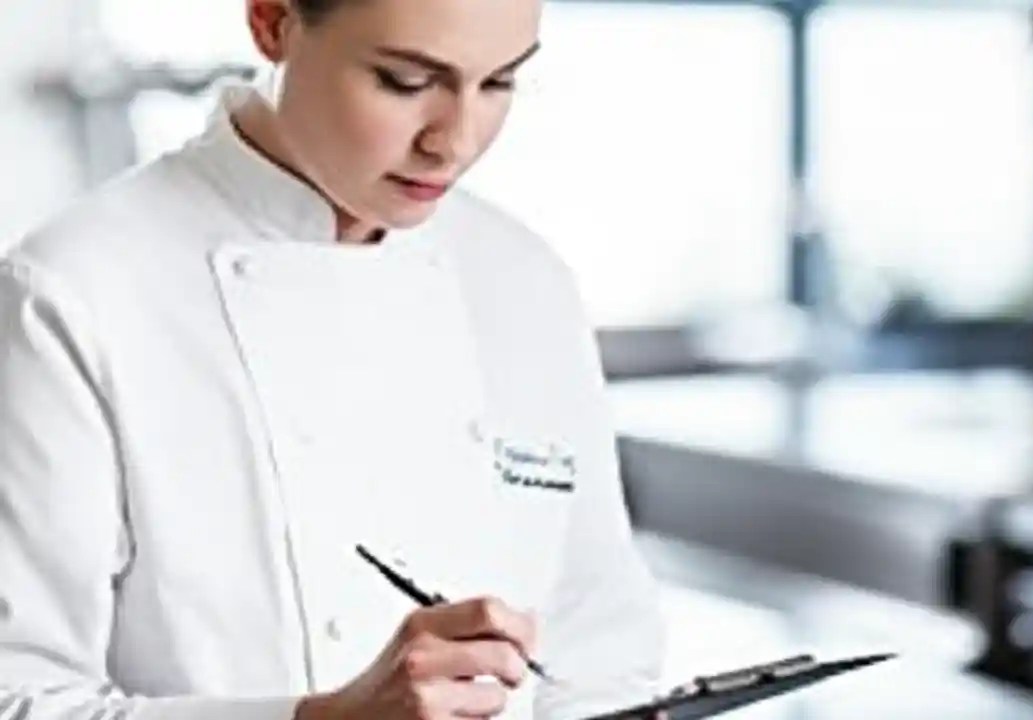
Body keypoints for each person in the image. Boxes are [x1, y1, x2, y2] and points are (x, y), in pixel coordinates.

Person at [0, 0, 665, 718]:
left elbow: (600, 658)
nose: (456, 141)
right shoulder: (73, 293)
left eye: (499, 83)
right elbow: (20, 699)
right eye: (405, 82)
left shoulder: (523, 279)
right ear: (272, 22)